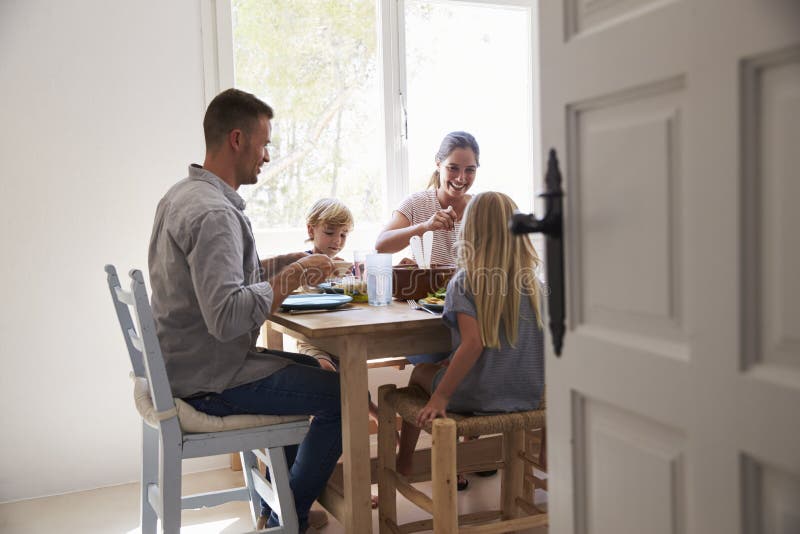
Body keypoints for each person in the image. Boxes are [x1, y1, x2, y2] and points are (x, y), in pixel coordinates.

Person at [148, 88, 340, 534]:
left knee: (322, 369)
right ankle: (284, 517)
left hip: (188, 364)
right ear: (238, 139)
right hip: (209, 379)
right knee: (341, 397)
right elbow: (228, 317)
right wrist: (294, 277)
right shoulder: (214, 214)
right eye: (265, 143)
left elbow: (229, 280)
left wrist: (299, 262)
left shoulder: (182, 196)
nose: (267, 156)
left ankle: (283, 509)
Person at [394, 191, 545, 490]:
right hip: (527, 395)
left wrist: (440, 398)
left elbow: (473, 344)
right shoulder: (535, 285)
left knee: (420, 372)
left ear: (470, 230)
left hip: (479, 398)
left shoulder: (464, 281)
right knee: (445, 364)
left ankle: (405, 461)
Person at [375, 131, 480, 265]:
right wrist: (426, 227)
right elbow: (381, 245)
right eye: (453, 168)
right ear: (438, 164)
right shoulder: (416, 203)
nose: (461, 178)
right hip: (425, 286)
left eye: (470, 170)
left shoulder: (482, 209)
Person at [296, 198, 353, 371]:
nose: (337, 240)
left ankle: (361, 399)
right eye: (329, 232)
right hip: (312, 340)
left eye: (343, 234)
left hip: (341, 336)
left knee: (354, 370)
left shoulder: (343, 268)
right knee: (325, 368)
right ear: (311, 230)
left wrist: (351, 282)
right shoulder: (299, 262)